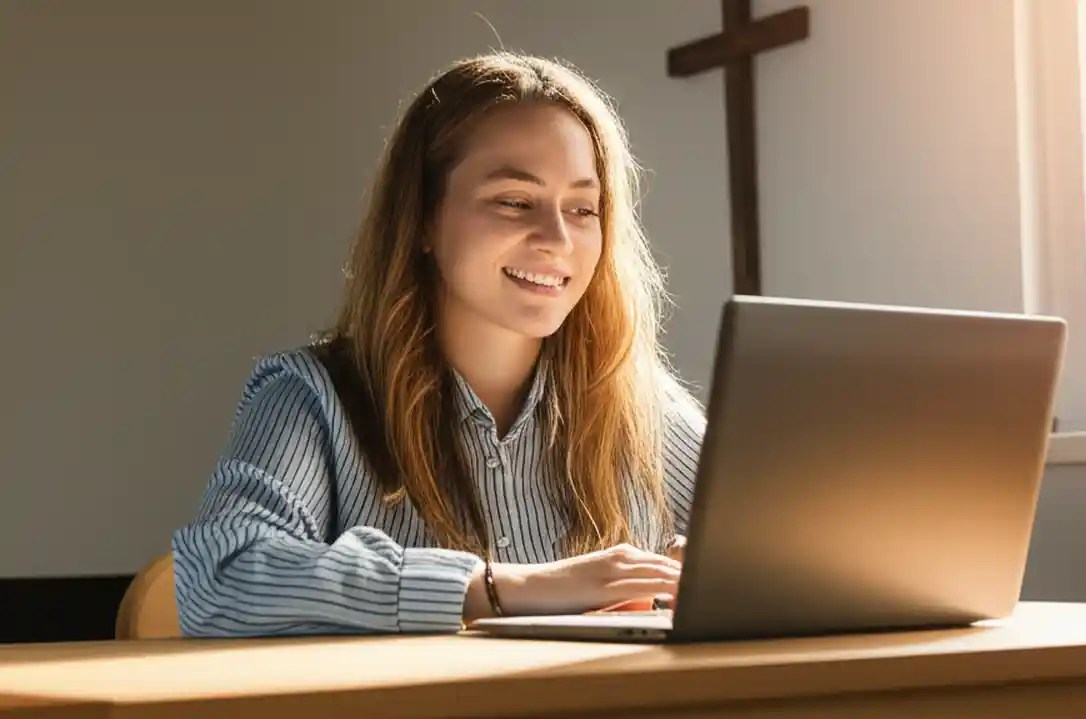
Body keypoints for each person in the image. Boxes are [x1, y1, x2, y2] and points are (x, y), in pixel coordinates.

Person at [172, 52, 705, 636]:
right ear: (423, 219)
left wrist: (714, 574)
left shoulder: (637, 404)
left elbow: (789, 541)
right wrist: (505, 589)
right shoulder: (313, 397)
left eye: (583, 209)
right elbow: (222, 577)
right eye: (514, 201)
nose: (558, 239)